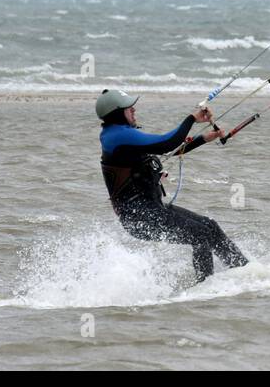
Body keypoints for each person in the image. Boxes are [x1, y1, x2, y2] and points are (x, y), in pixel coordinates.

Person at [96, 89, 249, 281]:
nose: (134, 110)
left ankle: (244, 271)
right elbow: (167, 143)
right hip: (139, 217)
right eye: (129, 108)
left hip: (152, 209)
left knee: (210, 226)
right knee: (200, 234)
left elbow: (169, 151)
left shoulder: (122, 135)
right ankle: (205, 287)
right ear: (117, 113)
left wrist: (203, 139)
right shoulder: (117, 136)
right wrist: (191, 118)